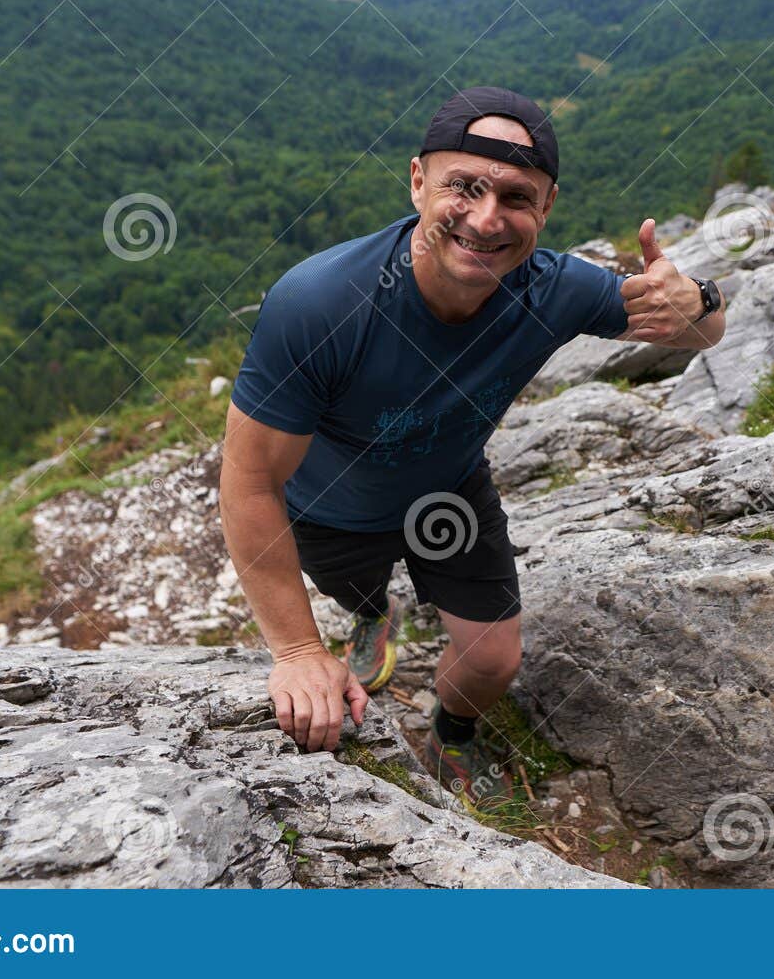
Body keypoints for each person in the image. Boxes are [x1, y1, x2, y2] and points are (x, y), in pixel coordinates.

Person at [218, 86, 726, 802]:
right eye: (465, 186)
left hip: (448, 494)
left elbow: (695, 334)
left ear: (545, 211)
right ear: (419, 181)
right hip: (328, 510)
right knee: (359, 597)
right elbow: (247, 482)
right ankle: (371, 617)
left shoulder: (555, 290)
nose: (486, 219)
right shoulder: (321, 304)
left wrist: (698, 302)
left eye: (516, 198)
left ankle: (451, 736)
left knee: (493, 658)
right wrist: (299, 652)